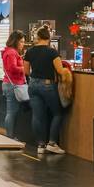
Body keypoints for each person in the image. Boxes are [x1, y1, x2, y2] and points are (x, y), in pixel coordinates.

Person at [24, 27, 67, 156]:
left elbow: (26, 71)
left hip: (33, 84)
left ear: (37, 37)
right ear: (49, 38)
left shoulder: (30, 51)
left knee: (37, 115)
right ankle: (52, 143)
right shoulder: (52, 52)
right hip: (47, 85)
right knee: (57, 113)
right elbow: (60, 70)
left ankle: (40, 145)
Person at [0, 30, 28, 140]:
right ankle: (10, 137)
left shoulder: (9, 52)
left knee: (12, 111)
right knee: (11, 112)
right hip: (13, 85)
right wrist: (25, 69)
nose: (23, 44)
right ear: (15, 41)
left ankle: (11, 135)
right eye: (21, 41)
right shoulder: (11, 52)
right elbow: (12, 68)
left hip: (11, 84)